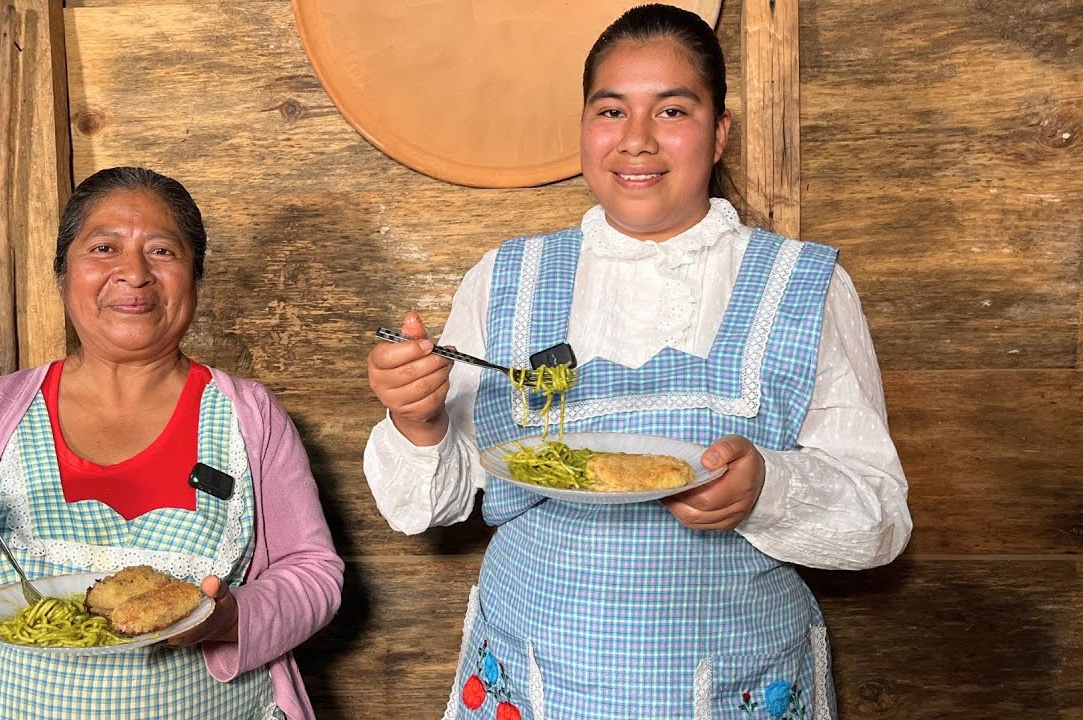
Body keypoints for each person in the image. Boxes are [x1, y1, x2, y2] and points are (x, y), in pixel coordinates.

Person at [363, 5, 911, 719]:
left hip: (730, 684)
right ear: (585, 128)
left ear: (719, 133)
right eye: (611, 110)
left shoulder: (801, 286)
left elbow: (881, 517)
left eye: (673, 110)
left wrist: (767, 488)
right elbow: (430, 505)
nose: (637, 140)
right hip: (534, 679)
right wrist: (418, 419)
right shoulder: (505, 279)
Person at [0, 167, 343, 720]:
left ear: (196, 278)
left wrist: (234, 619)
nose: (133, 274)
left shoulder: (250, 416)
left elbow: (314, 573)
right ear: (63, 275)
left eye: (161, 250)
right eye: (104, 247)